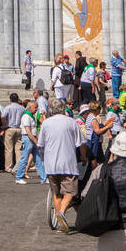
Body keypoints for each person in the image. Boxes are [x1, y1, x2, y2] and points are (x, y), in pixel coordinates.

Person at [38, 98, 85, 233]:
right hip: (68, 162)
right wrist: (83, 157)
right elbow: (81, 143)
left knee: (57, 192)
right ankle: (62, 213)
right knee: (70, 192)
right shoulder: (71, 122)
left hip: (51, 163)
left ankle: (59, 223)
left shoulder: (46, 123)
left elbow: (40, 144)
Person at [15, 100, 47, 184]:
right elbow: (28, 131)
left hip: (31, 138)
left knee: (38, 158)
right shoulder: (26, 116)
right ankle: (19, 177)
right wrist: (36, 141)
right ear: (30, 107)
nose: (36, 109)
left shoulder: (32, 115)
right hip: (28, 138)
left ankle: (43, 178)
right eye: (35, 107)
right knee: (24, 158)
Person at [2, 94, 24, 174]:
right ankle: (18, 166)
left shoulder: (8, 107)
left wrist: (3, 124)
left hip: (10, 128)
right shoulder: (22, 108)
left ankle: (9, 167)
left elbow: (3, 116)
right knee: (18, 149)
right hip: (19, 128)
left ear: (10, 99)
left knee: (9, 149)